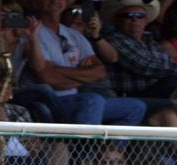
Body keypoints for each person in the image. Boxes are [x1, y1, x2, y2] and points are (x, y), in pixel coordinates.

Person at [18, 0, 146, 127]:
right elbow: (48, 78)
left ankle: (111, 148)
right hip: (47, 101)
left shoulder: (73, 35)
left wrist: (55, 69)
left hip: (75, 99)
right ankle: (88, 147)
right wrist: (84, 76)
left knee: (135, 107)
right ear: (34, 3)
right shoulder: (31, 31)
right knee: (93, 100)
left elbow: (100, 71)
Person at [95, 0, 177, 112]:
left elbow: (170, 65)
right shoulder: (114, 39)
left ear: (146, 21)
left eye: (140, 16)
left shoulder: (151, 41)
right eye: (128, 16)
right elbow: (144, 67)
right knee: (176, 82)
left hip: (158, 91)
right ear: (117, 20)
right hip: (132, 96)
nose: (135, 19)